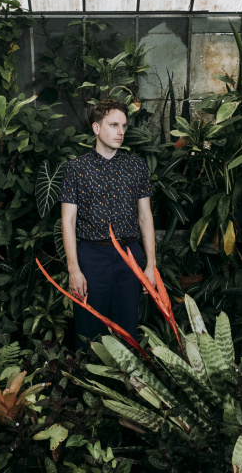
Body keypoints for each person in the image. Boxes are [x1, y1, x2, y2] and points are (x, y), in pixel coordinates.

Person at [60, 98, 156, 350]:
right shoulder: (76, 169)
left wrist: (151, 265)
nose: (121, 131)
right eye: (114, 125)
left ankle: (126, 375)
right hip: (92, 256)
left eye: (123, 125)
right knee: (88, 331)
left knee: (128, 332)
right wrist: (73, 269)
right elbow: (68, 220)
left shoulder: (136, 166)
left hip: (129, 256)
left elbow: (145, 217)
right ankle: (85, 374)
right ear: (96, 128)